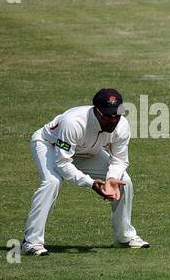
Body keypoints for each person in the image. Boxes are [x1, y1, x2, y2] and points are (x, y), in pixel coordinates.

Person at [23, 89, 149, 255]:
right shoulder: (73, 122)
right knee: (52, 181)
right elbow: (62, 163)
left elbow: (119, 160)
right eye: (108, 115)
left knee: (124, 181)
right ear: (96, 111)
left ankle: (124, 237)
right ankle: (31, 242)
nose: (113, 120)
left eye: (116, 115)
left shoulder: (122, 125)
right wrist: (90, 183)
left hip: (88, 152)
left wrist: (111, 180)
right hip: (50, 146)